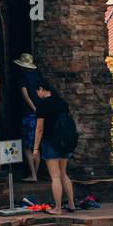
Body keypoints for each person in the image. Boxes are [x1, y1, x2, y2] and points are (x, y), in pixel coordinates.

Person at [33, 81, 78, 214]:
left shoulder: (42, 104)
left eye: (37, 91)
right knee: (64, 174)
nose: (37, 94)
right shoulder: (61, 102)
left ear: (41, 88)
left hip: (50, 142)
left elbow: (39, 129)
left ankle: (58, 208)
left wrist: (35, 148)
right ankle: (71, 204)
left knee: (55, 177)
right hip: (65, 142)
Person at [13, 53, 41, 182]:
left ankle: (33, 175)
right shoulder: (37, 76)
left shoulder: (22, 77)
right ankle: (36, 173)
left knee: (27, 146)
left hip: (29, 114)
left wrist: (33, 108)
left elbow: (25, 96)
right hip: (39, 115)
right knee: (36, 146)